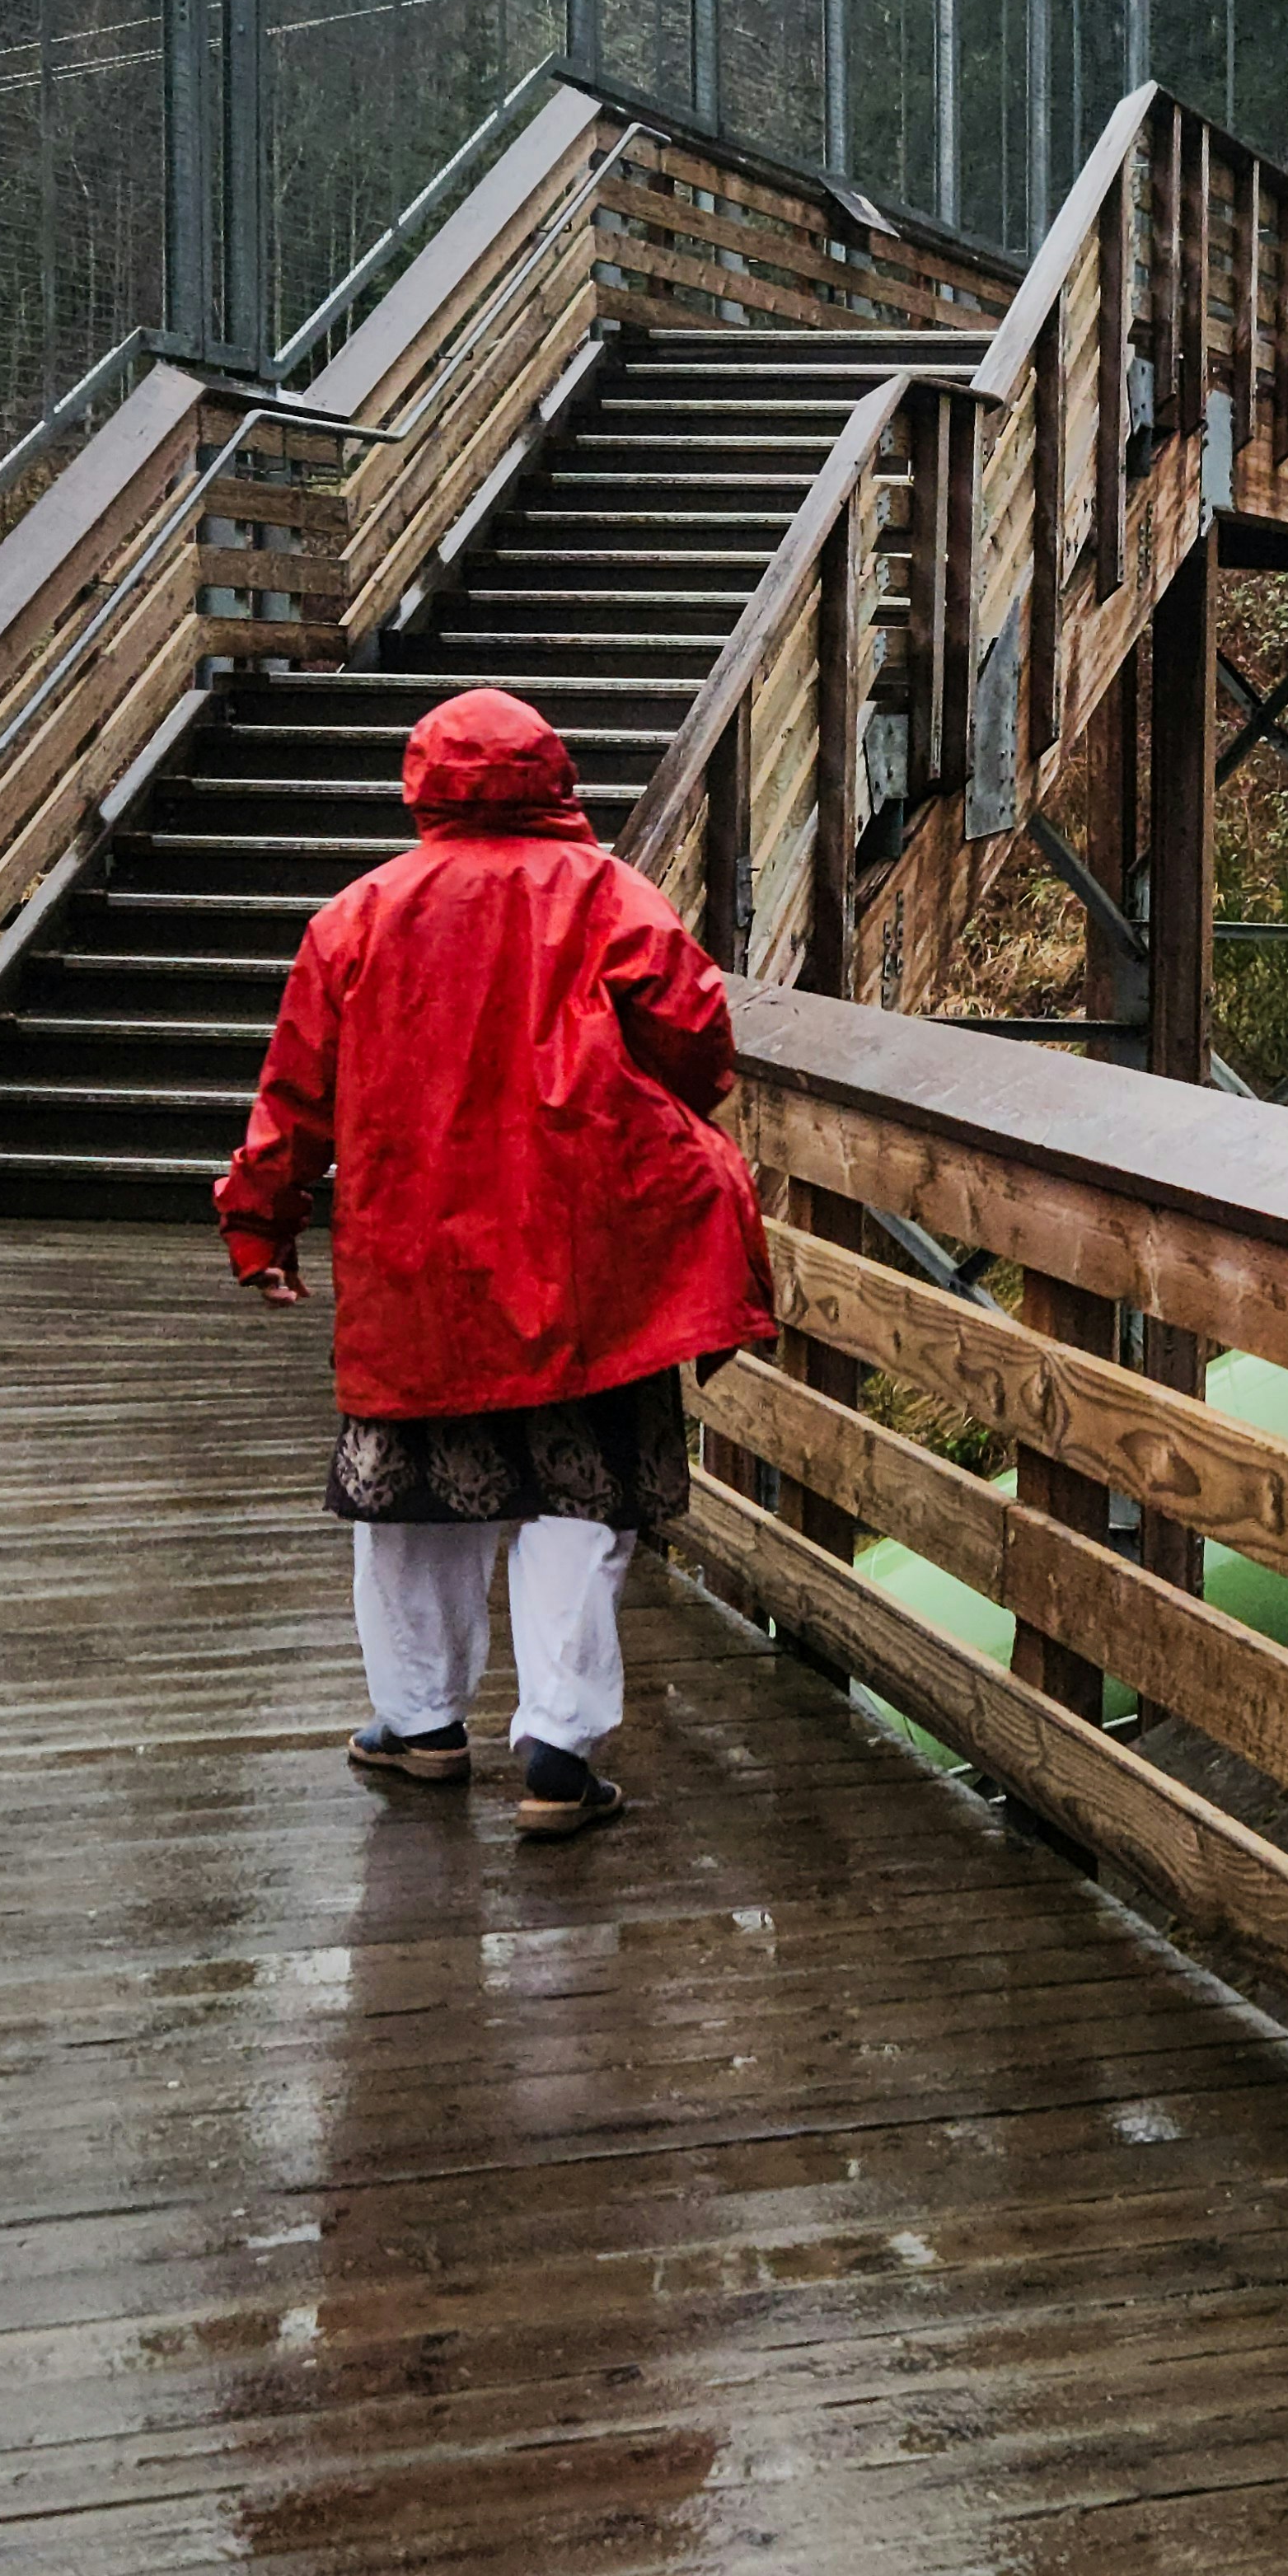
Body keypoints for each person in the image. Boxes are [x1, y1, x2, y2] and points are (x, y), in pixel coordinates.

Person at [215, 685, 768, 1841]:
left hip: (417, 1260)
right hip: (582, 1253)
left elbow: (295, 1095)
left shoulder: (356, 917)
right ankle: (561, 1753)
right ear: (555, 777)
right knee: (578, 1501)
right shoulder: (611, 898)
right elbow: (701, 1048)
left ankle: (418, 1727)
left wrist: (260, 1221)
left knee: (411, 1505)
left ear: (424, 787)